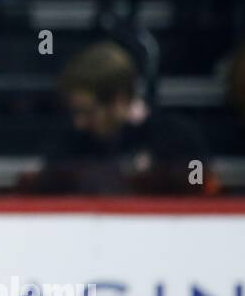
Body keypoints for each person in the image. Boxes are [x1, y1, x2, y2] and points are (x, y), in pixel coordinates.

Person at [18, 41, 219, 195]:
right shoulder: (69, 144)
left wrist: (156, 176)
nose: (79, 123)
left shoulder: (175, 138)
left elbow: (203, 190)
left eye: (88, 112)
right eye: (75, 112)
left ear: (119, 100)